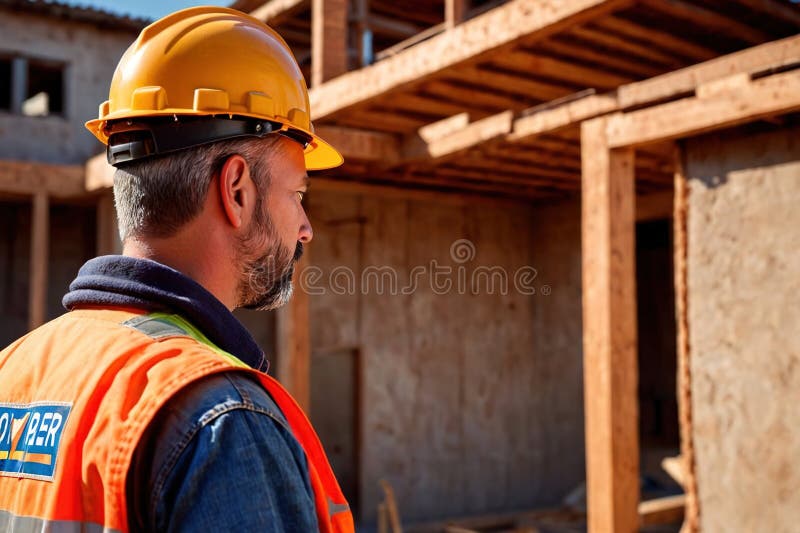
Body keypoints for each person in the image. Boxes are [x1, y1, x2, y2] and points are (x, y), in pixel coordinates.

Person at [0, 7, 353, 533]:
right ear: (237, 191)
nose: (305, 228)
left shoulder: (13, 370)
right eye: (297, 194)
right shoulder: (223, 422)